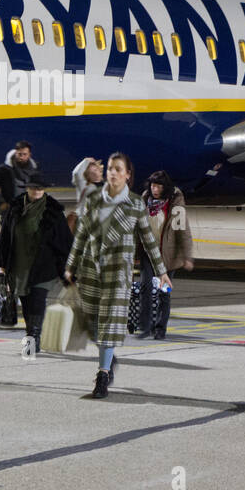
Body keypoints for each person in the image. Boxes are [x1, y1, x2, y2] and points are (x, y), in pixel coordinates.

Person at [64, 152, 170, 399]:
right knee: (92, 326)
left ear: (127, 175)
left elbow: (149, 241)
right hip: (91, 270)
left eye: (117, 169)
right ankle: (108, 358)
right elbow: (81, 235)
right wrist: (71, 265)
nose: (112, 172)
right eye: (110, 168)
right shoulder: (92, 199)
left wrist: (161, 271)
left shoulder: (134, 205)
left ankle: (102, 376)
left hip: (117, 275)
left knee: (108, 327)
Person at [0, 171, 72, 352]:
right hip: (19, 265)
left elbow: (64, 241)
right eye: (34, 188)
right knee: (26, 304)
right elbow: (5, 236)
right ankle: (33, 337)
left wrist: (67, 267)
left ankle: (32, 341)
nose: (37, 191)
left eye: (40, 188)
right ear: (27, 188)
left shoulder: (53, 211)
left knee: (37, 300)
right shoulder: (16, 207)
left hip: (43, 265)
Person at [139, 171, 194, 339]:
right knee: (146, 287)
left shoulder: (175, 202)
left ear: (165, 187)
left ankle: (160, 329)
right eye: (153, 186)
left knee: (164, 292)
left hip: (168, 254)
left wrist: (186, 256)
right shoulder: (145, 199)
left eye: (158, 186)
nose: (155, 189)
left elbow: (182, 229)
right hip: (148, 253)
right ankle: (145, 327)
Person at [0, 141, 38, 211]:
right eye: (19, 154)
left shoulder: (34, 169)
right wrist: (1, 202)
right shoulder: (4, 169)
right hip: (11, 208)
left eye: (24, 154)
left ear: (29, 155)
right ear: (15, 153)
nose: (21, 157)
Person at [69, 156, 103, 233]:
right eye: (92, 171)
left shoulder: (106, 186)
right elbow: (76, 173)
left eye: (96, 169)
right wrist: (85, 161)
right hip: (84, 223)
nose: (95, 172)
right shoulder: (84, 186)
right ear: (87, 174)